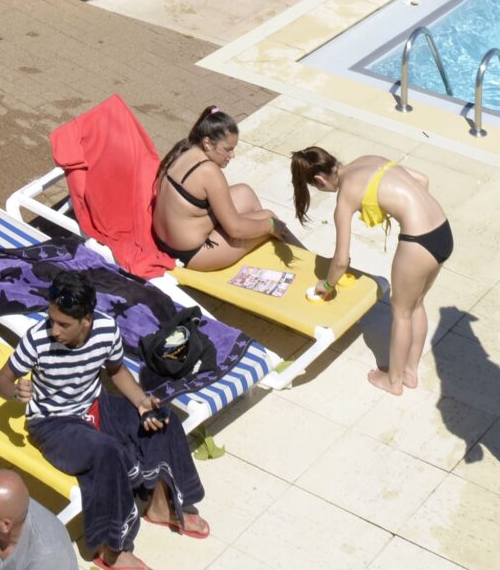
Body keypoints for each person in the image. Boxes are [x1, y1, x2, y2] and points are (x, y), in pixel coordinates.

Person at [0, 275, 205, 570]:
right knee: (107, 452)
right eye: (52, 320)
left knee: (164, 419)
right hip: (54, 425)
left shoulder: (106, 330)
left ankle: (161, 505)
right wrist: (15, 391)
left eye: (64, 324)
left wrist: (142, 403)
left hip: (96, 407)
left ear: (87, 320)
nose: (54, 330)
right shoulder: (37, 340)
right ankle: (112, 549)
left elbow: (117, 371)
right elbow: (1, 381)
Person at [291, 146, 453, 395]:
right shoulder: (367, 158)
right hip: (442, 230)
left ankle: (394, 382)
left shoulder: (345, 196)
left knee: (401, 312)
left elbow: (341, 261)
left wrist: (326, 285)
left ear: (320, 180)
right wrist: (415, 214)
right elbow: (422, 179)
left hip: (419, 242)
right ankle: (409, 372)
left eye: (318, 188)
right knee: (416, 304)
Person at [151, 106, 292, 271]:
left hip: (166, 238)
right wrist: (271, 226)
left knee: (245, 193)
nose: (232, 155)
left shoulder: (183, 150)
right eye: (228, 149)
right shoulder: (209, 171)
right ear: (208, 143)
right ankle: (302, 264)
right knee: (269, 218)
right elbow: (235, 229)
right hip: (190, 254)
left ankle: (258, 251)